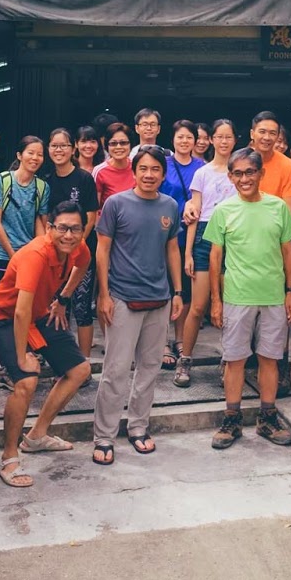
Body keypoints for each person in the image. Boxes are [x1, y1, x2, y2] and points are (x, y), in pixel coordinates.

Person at [0, 202, 93, 487]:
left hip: (39, 312)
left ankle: (36, 437)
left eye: (75, 229)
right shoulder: (36, 254)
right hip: (5, 317)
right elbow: (20, 311)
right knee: (26, 380)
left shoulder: (78, 248)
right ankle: (8, 458)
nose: (68, 235)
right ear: (49, 228)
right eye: (62, 228)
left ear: (83, 231)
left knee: (80, 369)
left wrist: (64, 299)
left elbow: (84, 264)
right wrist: (22, 356)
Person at [91, 145, 183, 465]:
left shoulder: (169, 205)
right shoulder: (116, 204)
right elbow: (102, 251)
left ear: (162, 173)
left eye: (155, 169)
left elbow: (172, 249)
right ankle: (104, 435)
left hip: (159, 298)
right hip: (122, 297)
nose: (149, 175)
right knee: (115, 370)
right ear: (134, 170)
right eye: (143, 168)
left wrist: (178, 292)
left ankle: (138, 426)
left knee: (149, 369)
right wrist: (103, 294)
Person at [206, 148, 291, 449]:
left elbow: (288, 251)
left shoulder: (278, 208)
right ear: (230, 176)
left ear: (261, 174)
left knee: (269, 359)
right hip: (237, 296)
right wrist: (216, 301)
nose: (245, 178)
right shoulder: (223, 211)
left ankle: (267, 418)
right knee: (234, 360)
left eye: (250, 172)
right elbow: (215, 258)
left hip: (273, 295)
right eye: (238, 173)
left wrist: (289, 292)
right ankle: (231, 419)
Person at [177, 119, 238, 385]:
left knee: (232, 307)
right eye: (219, 137)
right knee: (199, 305)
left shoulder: (239, 171)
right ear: (211, 140)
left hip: (235, 239)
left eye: (229, 137)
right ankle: (185, 360)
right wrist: (188, 253)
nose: (224, 142)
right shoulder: (202, 172)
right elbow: (194, 213)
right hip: (204, 236)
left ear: (235, 140)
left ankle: (229, 361)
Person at [0, 136, 51, 375]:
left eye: (39, 154)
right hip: (1, 255)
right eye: (30, 153)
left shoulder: (42, 187)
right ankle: (6, 367)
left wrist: (40, 251)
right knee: (4, 311)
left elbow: (39, 223)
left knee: (26, 310)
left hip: (29, 254)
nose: (35, 158)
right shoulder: (3, 181)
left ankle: (24, 356)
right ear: (19, 155)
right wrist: (15, 255)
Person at [250, 110, 291, 394]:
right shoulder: (241, 159)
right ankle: (239, 361)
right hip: (242, 244)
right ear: (252, 133)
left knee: (280, 308)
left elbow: (287, 210)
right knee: (241, 308)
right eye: (262, 131)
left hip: (275, 243)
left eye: (273, 133)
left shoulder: (286, 166)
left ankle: (280, 363)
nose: (267, 137)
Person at [44, 128, 101, 357]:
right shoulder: (46, 179)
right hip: (53, 254)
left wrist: (75, 245)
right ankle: (64, 361)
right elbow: (44, 218)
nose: (59, 150)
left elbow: (91, 215)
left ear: (73, 149)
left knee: (82, 308)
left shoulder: (83, 178)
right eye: (54, 146)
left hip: (81, 252)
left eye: (64, 146)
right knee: (58, 307)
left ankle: (84, 363)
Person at [158, 120, 203, 372]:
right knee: (164, 288)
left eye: (189, 137)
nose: (184, 142)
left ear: (196, 141)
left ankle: (179, 340)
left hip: (191, 236)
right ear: (173, 140)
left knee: (183, 290)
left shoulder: (201, 167)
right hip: (164, 232)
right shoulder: (164, 164)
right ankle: (162, 342)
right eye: (180, 137)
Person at [95, 129, 136, 204]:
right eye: (113, 143)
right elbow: (94, 207)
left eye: (123, 143)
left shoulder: (137, 167)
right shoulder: (99, 171)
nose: (118, 147)